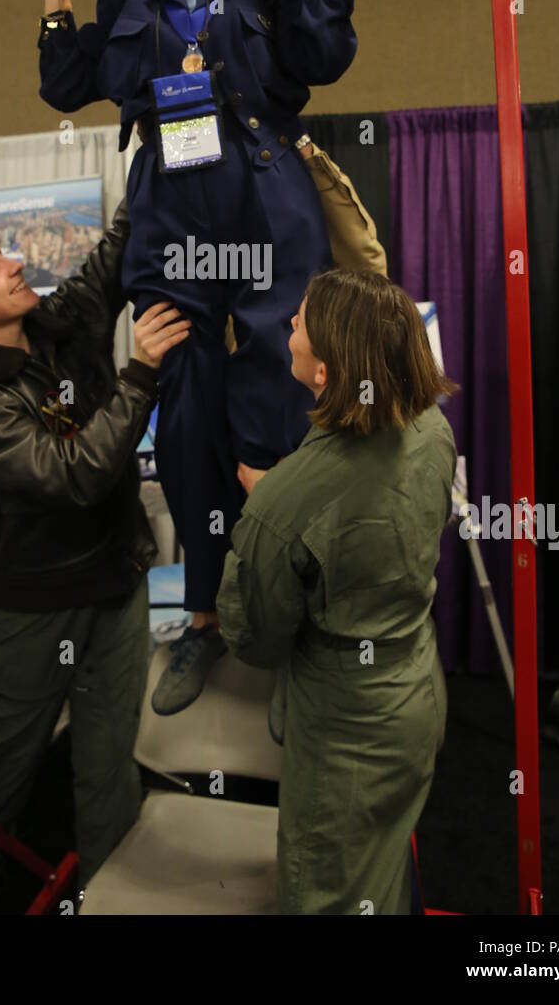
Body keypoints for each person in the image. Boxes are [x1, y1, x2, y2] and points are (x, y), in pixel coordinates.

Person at [35, 0, 357, 714]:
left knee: (272, 407)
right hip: (174, 211)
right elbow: (68, 84)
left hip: (261, 195)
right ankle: (207, 618)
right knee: (182, 411)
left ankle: (296, 628)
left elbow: (326, 56)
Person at [0, 198, 189, 908]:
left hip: (115, 584)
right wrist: (140, 372)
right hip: (38, 612)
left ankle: (107, 897)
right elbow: (72, 474)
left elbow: (117, 252)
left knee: (108, 770)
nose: (16, 261)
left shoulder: (56, 323)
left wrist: (156, 137)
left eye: (4, 251)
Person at [216, 269, 459, 915]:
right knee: (380, 862)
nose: (289, 327)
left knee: (328, 892)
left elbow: (255, 639)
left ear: (324, 373)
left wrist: (272, 511)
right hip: (415, 692)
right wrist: (295, 494)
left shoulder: (284, 504)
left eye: (301, 323)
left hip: (345, 735)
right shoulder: (433, 431)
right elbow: (364, 493)